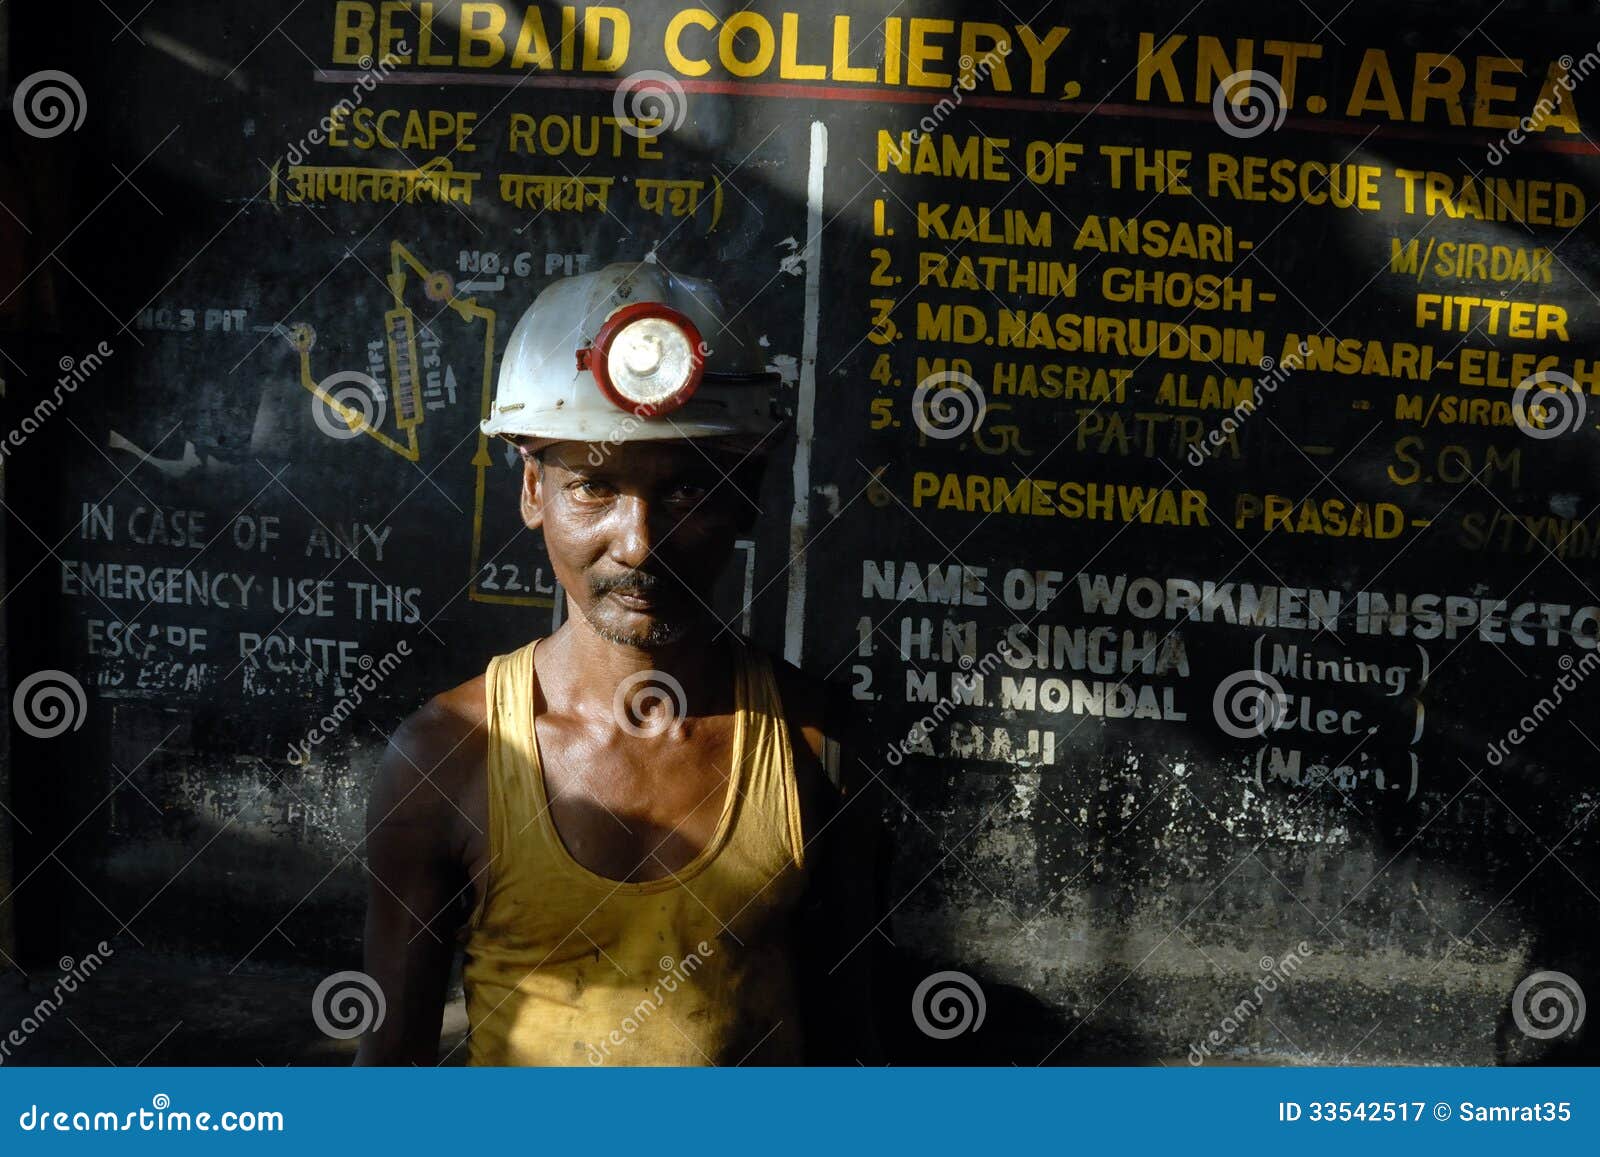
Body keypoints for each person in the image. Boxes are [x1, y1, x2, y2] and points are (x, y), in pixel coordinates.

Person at [355, 263, 881, 1066]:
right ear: (534, 491)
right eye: (595, 487)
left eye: (683, 493)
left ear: (743, 496)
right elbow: (389, 1079)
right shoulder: (445, 760)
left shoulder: (818, 747)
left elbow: (854, 1060)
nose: (639, 542)